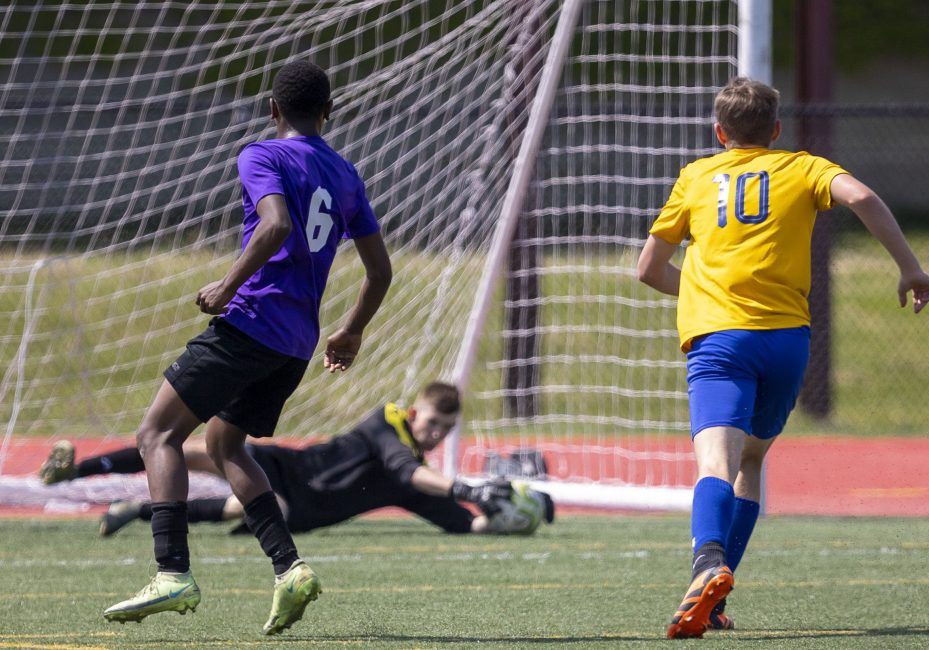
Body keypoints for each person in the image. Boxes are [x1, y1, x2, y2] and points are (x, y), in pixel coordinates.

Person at [101, 60, 394, 635]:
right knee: (224, 443)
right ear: (329, 112)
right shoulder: (346, 174)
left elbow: (275, 224)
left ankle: (171, 571)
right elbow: (380, 272)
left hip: (251, 323)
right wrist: (351, 330)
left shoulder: (263, 154)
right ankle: (289, 568)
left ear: (272, 108)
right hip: (296, 343)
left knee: (156, 434)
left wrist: (227, 285)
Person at [637, 78, 929, 639]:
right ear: (776, 129)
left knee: (715, 464)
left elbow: (648, 269)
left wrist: (707, 292)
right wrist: (911, 268)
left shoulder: (697, 176)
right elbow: (863, 197)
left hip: (720, 340)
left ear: (719, 133)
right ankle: (714, 602)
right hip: (786, 342)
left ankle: (707, 563)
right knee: (750, 462)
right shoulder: (804, 168)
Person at [38, 382, 554, 536]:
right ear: (416, 412)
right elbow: (406, 467)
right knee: (186, 449)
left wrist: (512, 514)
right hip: (290, 468)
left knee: (244, 508)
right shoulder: (388, 423)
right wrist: (466, 487)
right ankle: (78, 469)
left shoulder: (412, 480)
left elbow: (459, 522)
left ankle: (140, 511)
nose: (436, 433)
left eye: (445, 428)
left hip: (301, 510)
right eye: (433, 423)